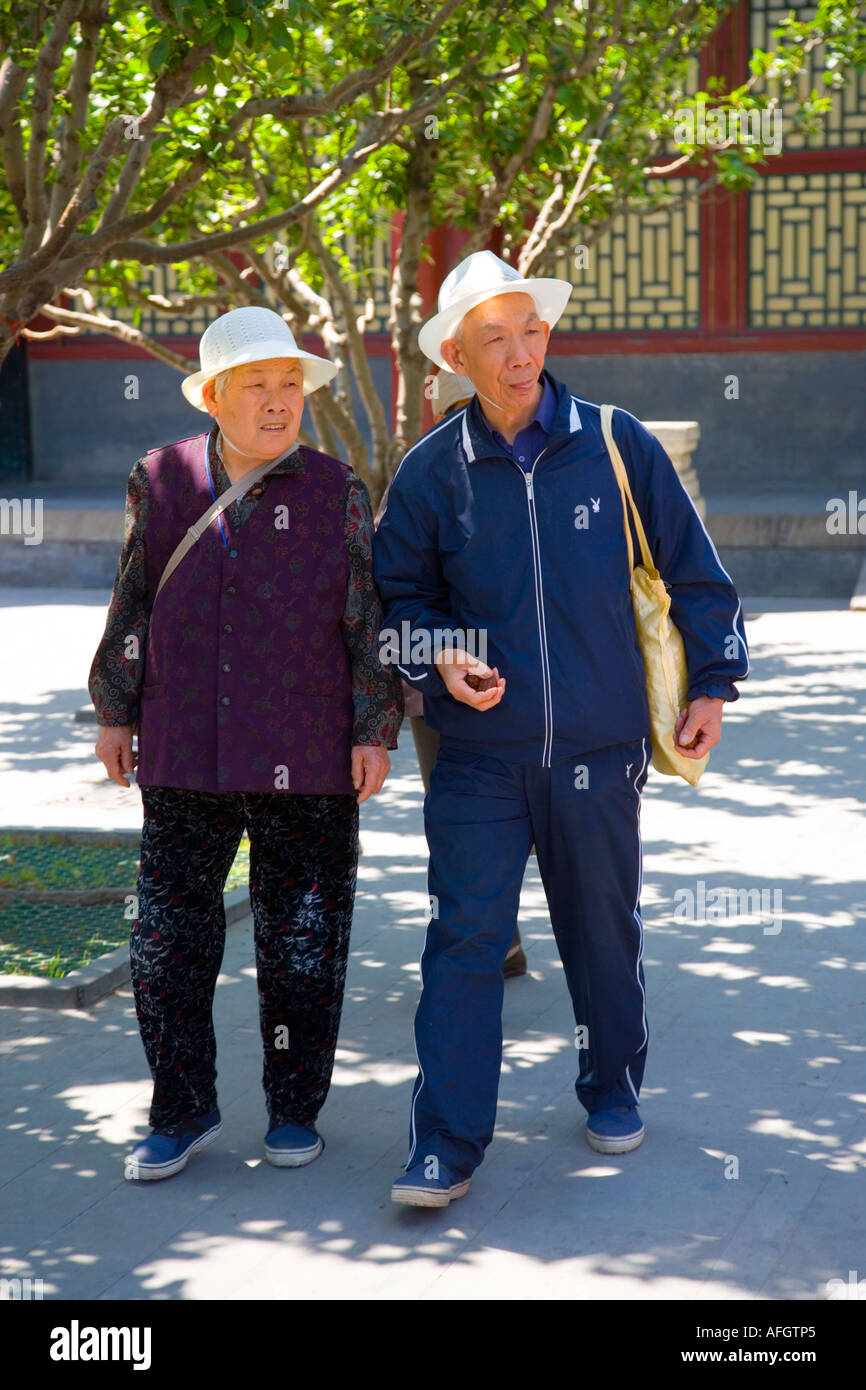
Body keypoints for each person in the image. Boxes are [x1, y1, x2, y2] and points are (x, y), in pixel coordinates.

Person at [374, 250, 749, 1207]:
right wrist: (449, 657)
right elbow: (396, 609)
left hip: (597, 749)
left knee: (600, 930)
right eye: (493, 338)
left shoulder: (616, 444)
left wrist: (712, 682)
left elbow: (697, 573)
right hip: (478, 759)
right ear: (458, 356)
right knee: (463, 939)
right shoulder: (429, 475)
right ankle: (445, 1145)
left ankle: (611, 1083)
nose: (518, 353)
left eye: (529, 330)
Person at [89, 306, 402, 1181]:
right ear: (216, 395)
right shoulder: (159, 481)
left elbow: (365, 621)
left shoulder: (338, 489)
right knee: (167, 943)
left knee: (303, 938)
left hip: (307, 750)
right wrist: (116, 709)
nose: (277, 402)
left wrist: (374, 728)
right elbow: (132, 602)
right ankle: (180, 1110)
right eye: (256, 386)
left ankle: (295, 1109)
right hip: (185, 744)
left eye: (290, 384)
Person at [377, 370, 526, 979]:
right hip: (449, 681)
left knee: (465, 814)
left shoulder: (435, 467)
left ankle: (492, 937)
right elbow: (396, 593)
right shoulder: (430, 470)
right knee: (470, 815)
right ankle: (494, 938)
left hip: (461, 679)